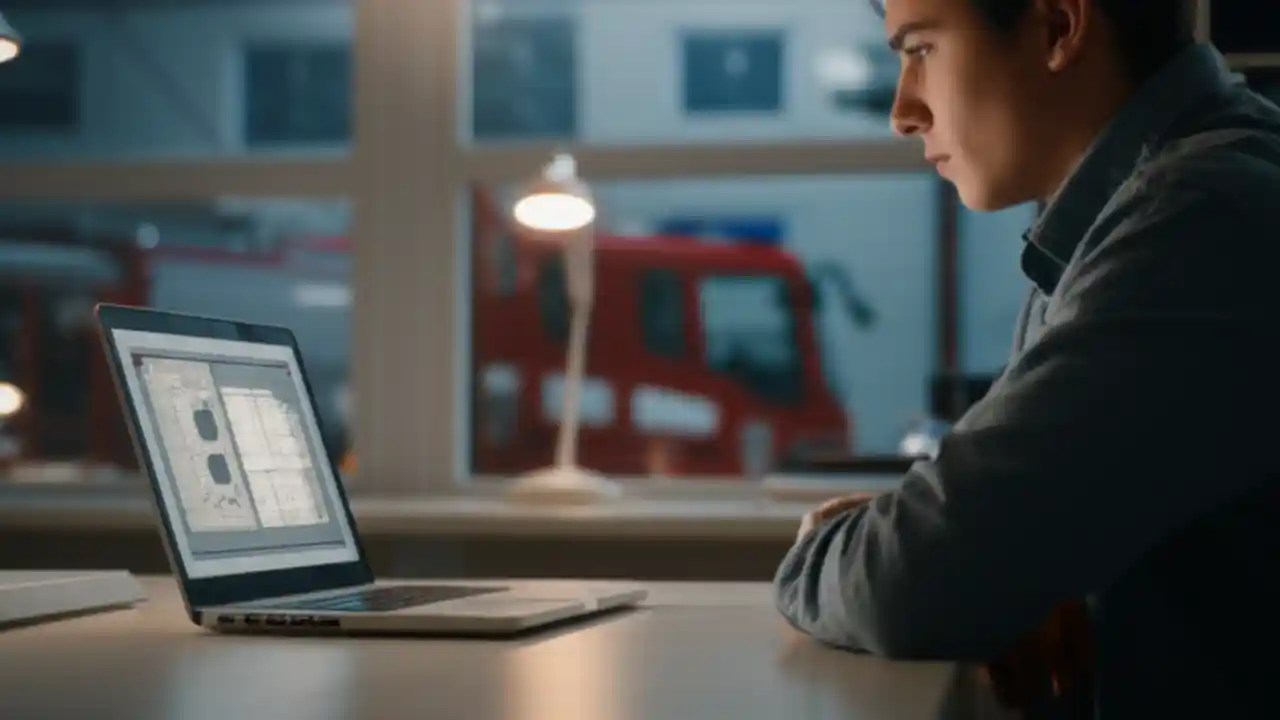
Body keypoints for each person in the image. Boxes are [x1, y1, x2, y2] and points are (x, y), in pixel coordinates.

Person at [773, 1, 1280, 718]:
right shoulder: (1121, 220)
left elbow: (915, 578)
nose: (903, 111)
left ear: (1058, 27)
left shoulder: (1199, 221)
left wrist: (824, 544)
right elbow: (973, 548)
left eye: (920, 50)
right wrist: (1019, 581)